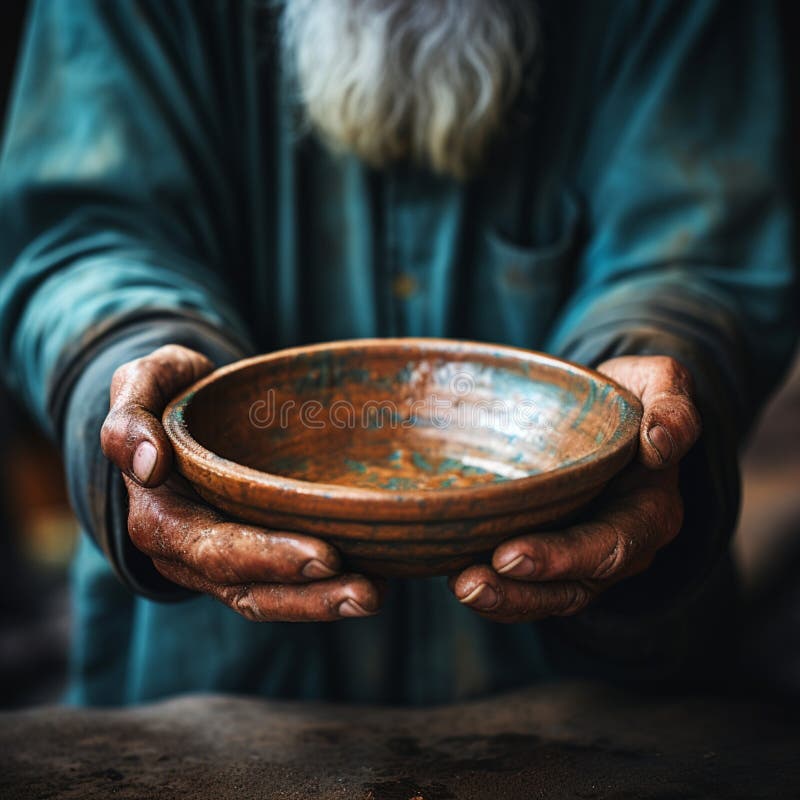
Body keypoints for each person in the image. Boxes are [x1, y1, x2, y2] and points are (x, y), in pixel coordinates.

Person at [0, 0, 795, 706]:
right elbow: (82, 231)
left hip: (601, 697)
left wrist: (651, 368)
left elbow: (699, 246)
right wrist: (132, 350)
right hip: (210, 692)